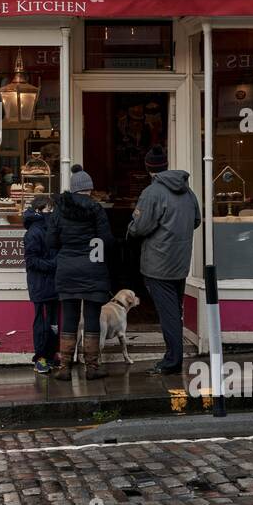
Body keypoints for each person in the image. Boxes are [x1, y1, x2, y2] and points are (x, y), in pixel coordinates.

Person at [127, 146, 201, 375]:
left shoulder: (153, 192)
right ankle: (173, 356)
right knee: (174, 311)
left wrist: (130, 229)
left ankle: (172, 361)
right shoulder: (188, 192)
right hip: (180, 261)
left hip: (158, 263)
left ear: (149, 168)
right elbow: (197, 220)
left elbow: (141, 226)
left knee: (168, 314)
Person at [45, 165, 114, 381]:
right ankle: (92, 367)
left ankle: (64, 366)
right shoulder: (96, 209)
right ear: (89, 189)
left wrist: (67, 248)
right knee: (92, 317)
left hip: (67, 269)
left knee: (70, 317)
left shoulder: (59, 210)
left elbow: (51, 241)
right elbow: (107, 241)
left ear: (73, 189)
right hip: (93, 267)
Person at [23, 195, 60, 374]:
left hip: (54, 284)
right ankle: (40, 358)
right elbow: (31, 261)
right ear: (38, 211)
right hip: (41, 284)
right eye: (48, 210)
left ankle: (52, 355)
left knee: (53, 323)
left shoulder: (52, 229)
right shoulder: (34, 232)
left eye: (52, 209)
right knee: (42, 323)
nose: (51, 213)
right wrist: (55, 264)